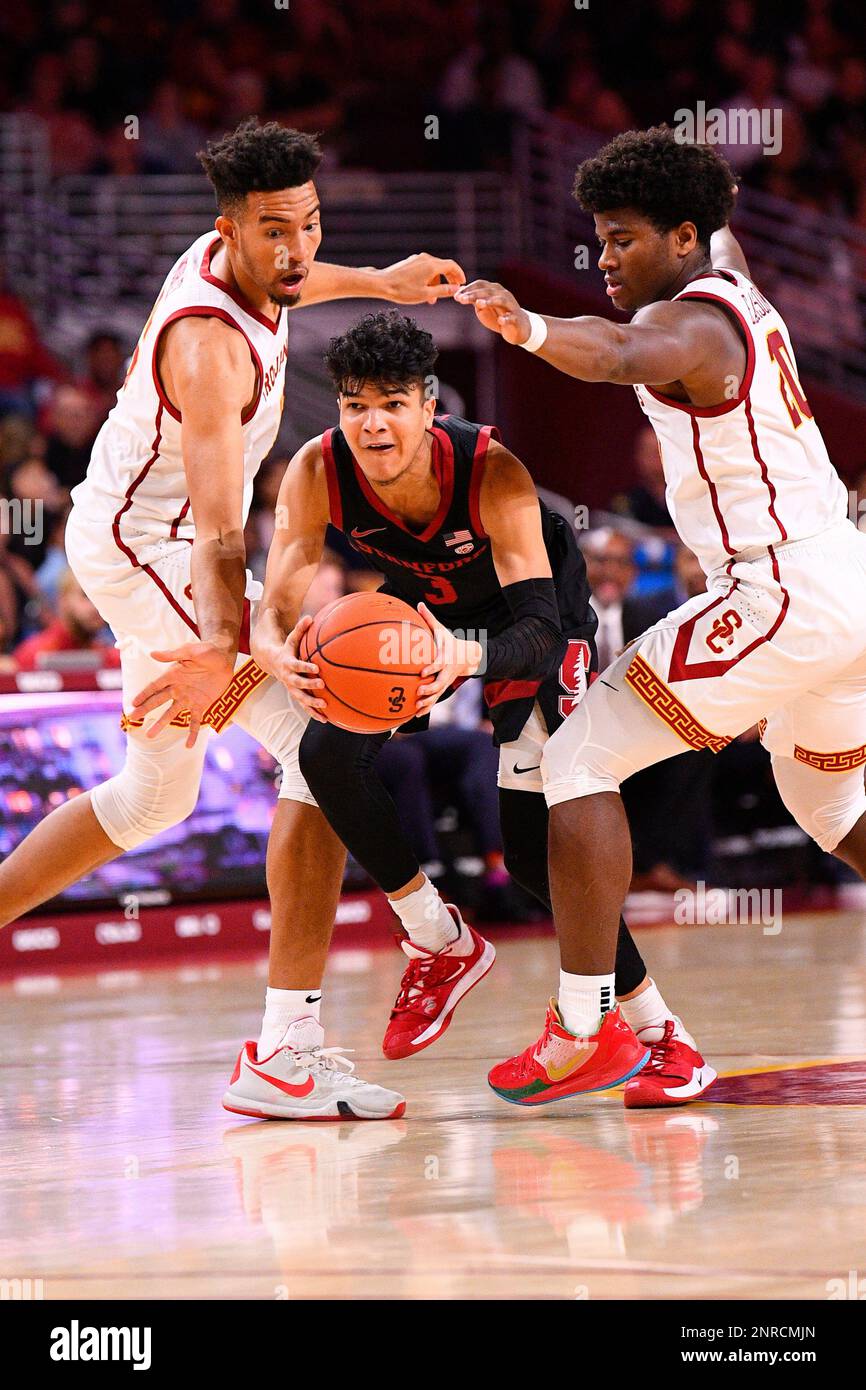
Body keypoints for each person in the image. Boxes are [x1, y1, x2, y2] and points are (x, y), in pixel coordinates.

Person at [0, 117, 464, 1123]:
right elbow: (218, 538)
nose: (295, 249)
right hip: (151, 547)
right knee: (320, 745)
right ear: (228, 229)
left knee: (147, 804)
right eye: (273, 231)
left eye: (307, 222)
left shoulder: (255, 262)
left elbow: (301, 279)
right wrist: (224, 650)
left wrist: (379, 281)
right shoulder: (208, 348)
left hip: (132, 534)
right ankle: (293, 1047)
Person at [455, 124, 866, 1108]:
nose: (601, 260)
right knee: (827, 804)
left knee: (576, 760)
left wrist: (529, 328)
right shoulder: (729, 276)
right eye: (596, 240)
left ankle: (585, 1024)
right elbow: (710, 245)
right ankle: (626, 1029)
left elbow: (617, 355)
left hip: (779, 591)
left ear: (682, 239)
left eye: (621, 239)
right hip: (837, 582)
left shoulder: (692, 326)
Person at [241, 309, 702, 1085]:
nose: (374, 423)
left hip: (535, 617)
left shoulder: (493, 470)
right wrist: (273, 651)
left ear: (429, 405)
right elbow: (276, 609)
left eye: (393, 403)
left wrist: (466, 657)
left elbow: (537, 629)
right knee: (324, 749)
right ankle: (438, 936)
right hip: (428, 611)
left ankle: (658, 1033)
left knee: (529, 855)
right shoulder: (318, 470)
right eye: (357, 404)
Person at [12, 569, 119, 671]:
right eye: (85, 596)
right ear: (63, 600)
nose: (96, 606)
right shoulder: (34, 655)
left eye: (101, 597)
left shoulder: (108, 653)